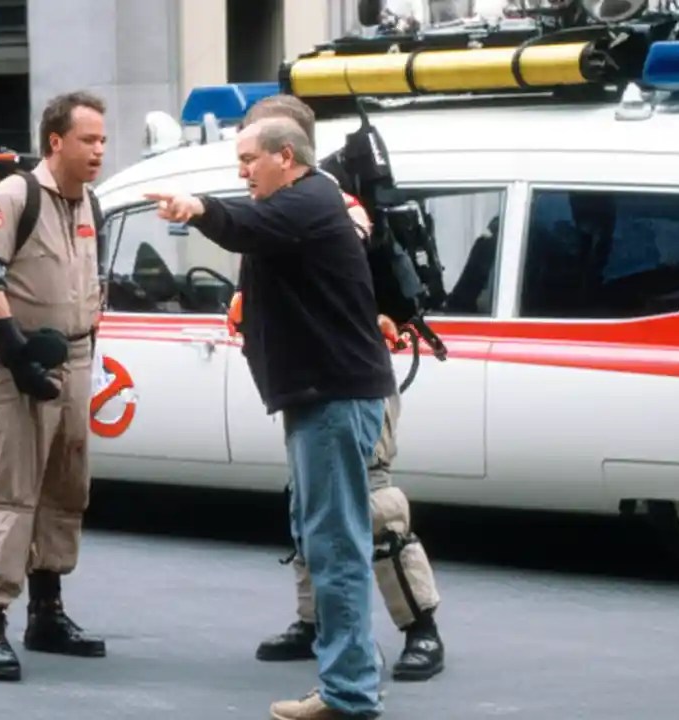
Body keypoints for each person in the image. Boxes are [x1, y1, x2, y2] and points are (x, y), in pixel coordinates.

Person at [148, 116, 394, 720]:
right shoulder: (306, 201)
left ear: (286, 157)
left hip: (331, 397)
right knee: (330, 541)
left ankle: (348, 694)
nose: (242, 171)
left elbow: (243, 225)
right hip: (322, 396)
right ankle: (350, 682)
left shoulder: (307, 199)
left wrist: (196, 206)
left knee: (335, 547)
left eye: (248, 160)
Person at [239, 95, 447, 683]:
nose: (245, 163)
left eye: (254, 147)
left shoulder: (331, 204)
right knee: (312, 503)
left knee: (374, 503)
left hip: (354, 384)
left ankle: (420, 628)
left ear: (290, 147)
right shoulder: (282, 203)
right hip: (312, 381)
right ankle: (317, 622)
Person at [0, 90, 108, 682]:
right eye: (88, 140)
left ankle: (47, 612)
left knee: (65, 487)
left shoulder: (88, 200)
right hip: (16, 361)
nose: (99, 150)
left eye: (101, 140)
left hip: (72, 358)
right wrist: (18, 357)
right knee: (10, 491)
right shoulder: (15, 195)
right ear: (55, 142)